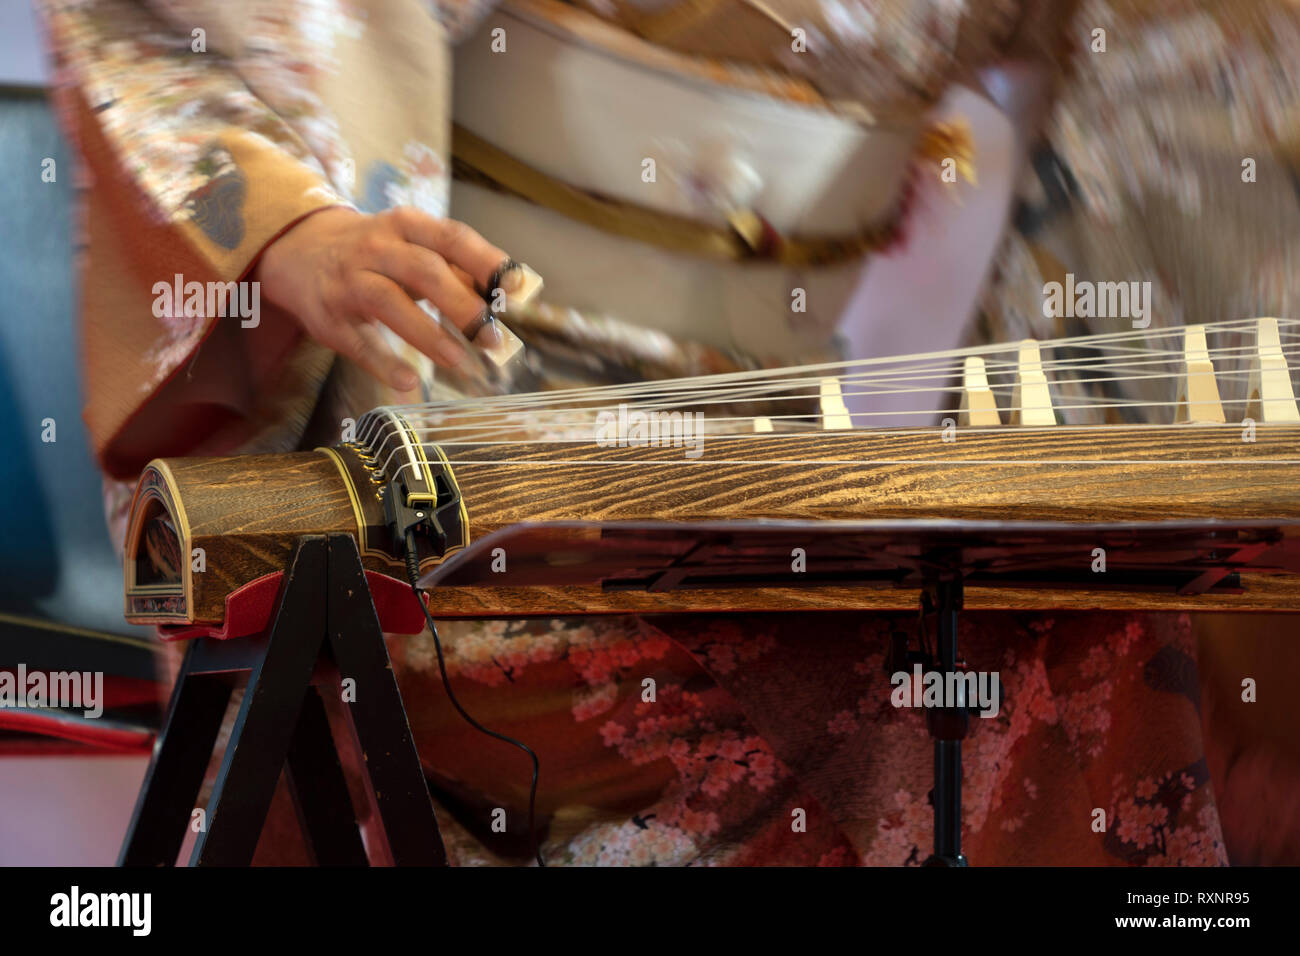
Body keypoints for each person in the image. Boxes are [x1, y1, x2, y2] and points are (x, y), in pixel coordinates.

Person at [38, 0, 1299, 864]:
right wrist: (294, 232)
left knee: (1088, 624)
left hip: (780, 458)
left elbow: (1202, 105)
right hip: (476, 409)